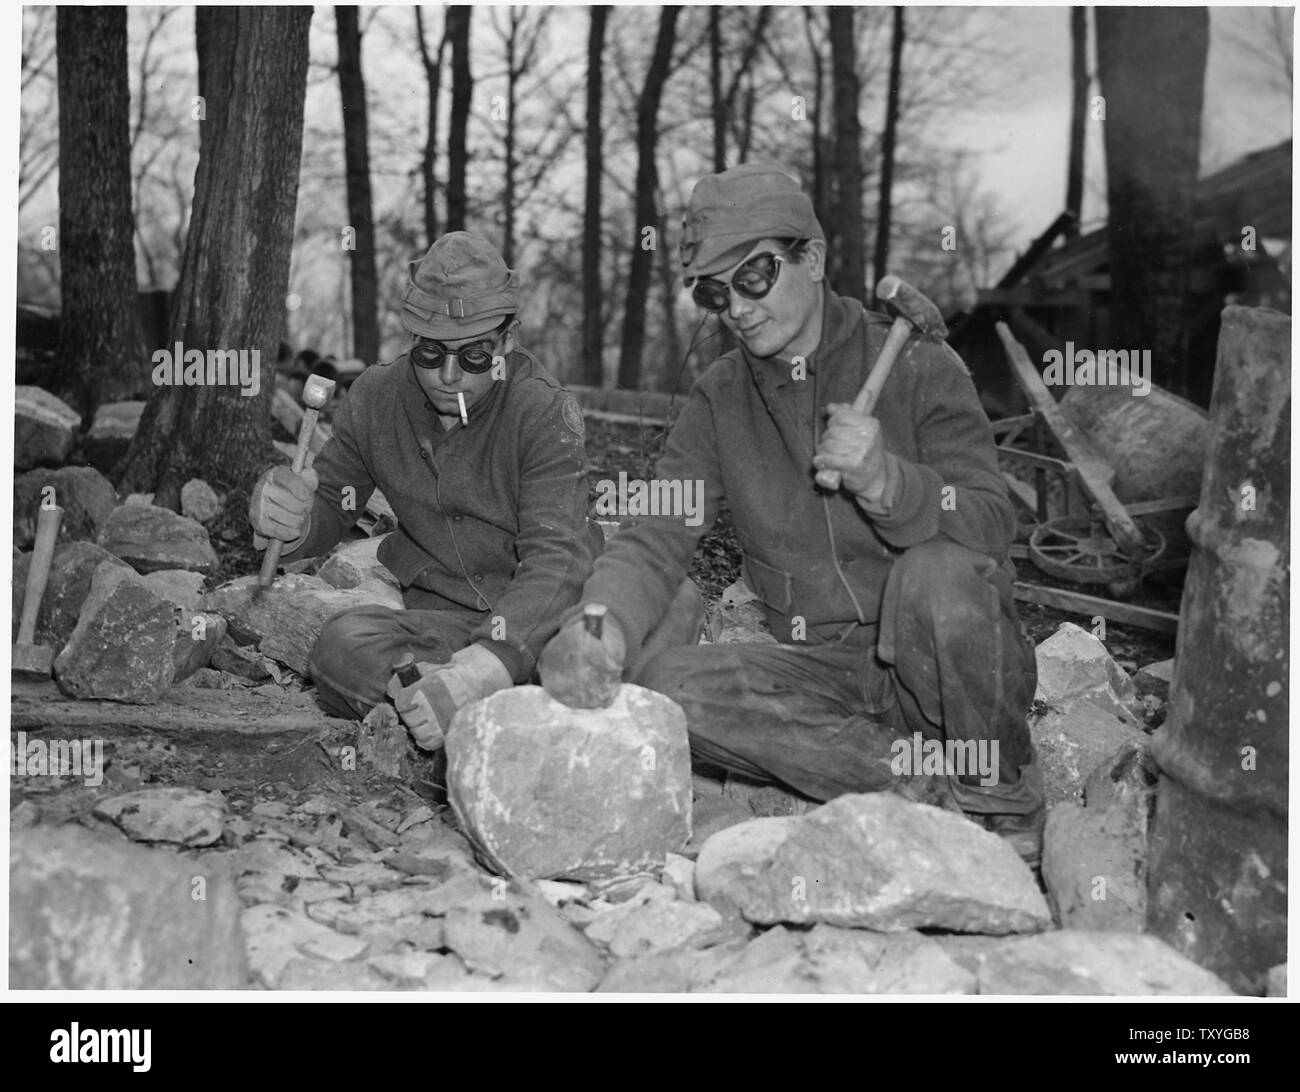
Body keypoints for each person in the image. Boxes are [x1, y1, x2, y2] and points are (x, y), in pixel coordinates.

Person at [539, 164, 1045, 864]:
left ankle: (999, 792)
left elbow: (991, 521)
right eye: (713, 291)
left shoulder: (923, 367)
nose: (736, 309)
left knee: (938, 576)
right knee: (671, 686)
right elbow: (656, 532)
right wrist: (601, 625)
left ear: (812, 258)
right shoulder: (721, 399)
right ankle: (915, 787)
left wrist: (888, 483)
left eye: (753, 277)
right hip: (822, 678)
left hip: (946, 672)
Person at [248, 232, 616, 746]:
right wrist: (290, 518)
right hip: (447, 625)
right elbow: (331, 501)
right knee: (341, 648)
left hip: (541, 617)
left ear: (508, 341)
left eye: (473, 357)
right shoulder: (376, 398)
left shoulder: (543, 412)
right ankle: (505, 714)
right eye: (430, 352)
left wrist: (487, 666)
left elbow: (556, 559)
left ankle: (483, 700)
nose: (447, 376)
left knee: (626, 637)